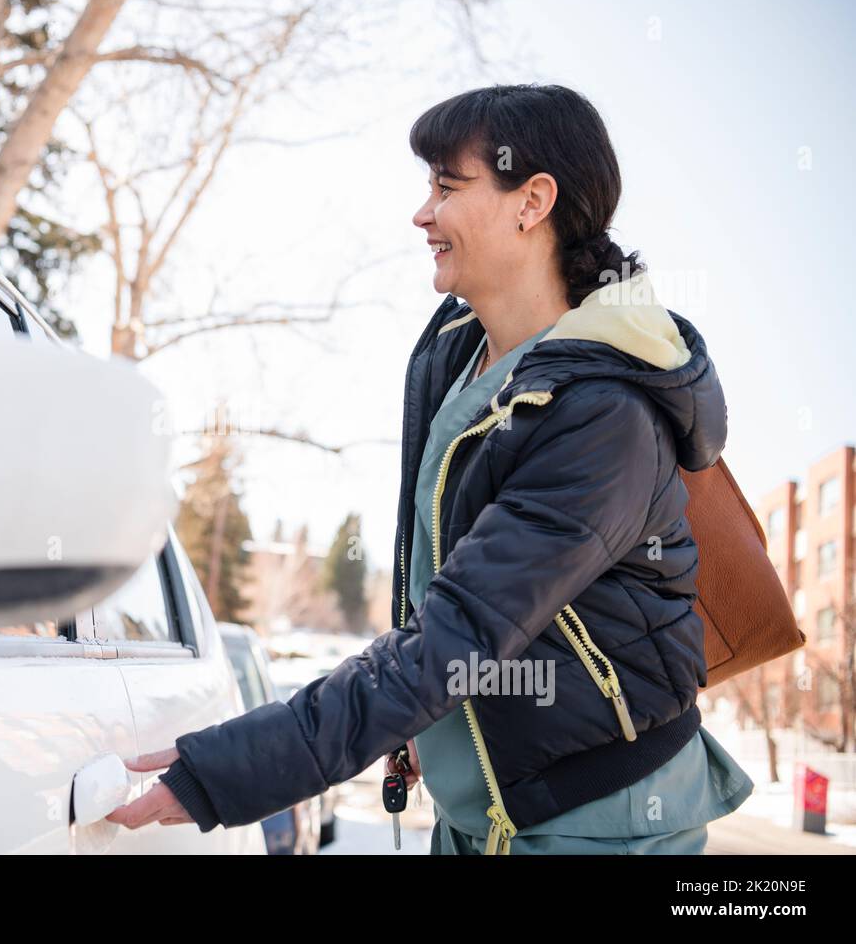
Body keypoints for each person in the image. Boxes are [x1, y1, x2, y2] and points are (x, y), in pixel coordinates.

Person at [105, 83, 752, 853]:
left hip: (593, 820)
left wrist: (230, 769)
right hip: (485, 805)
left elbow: (462, 630)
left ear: (532, 201)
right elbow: (453, 596)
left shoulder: (603, 413)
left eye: (448, 187)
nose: (422, 214)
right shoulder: (464, 357)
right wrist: (434, 725)